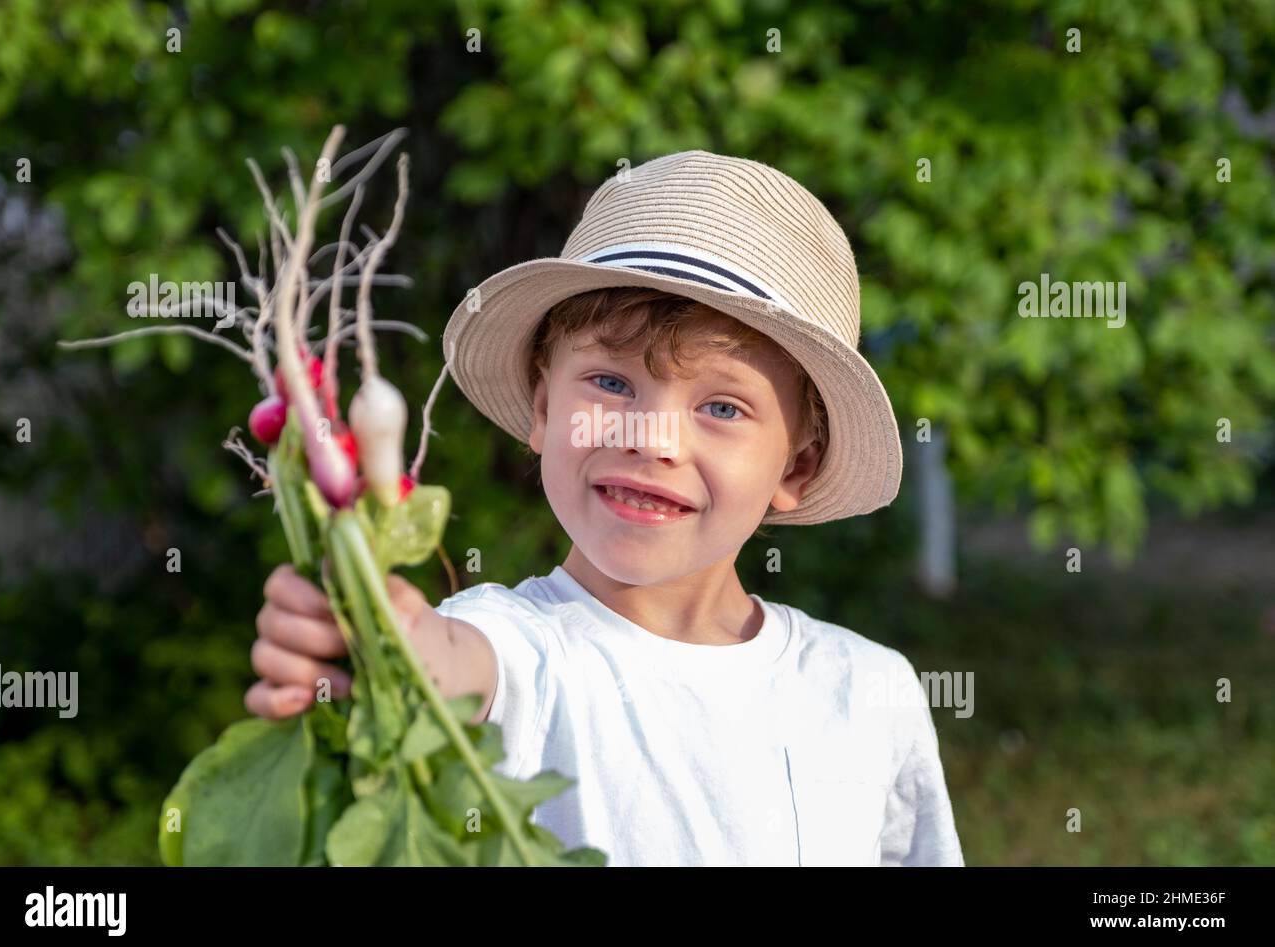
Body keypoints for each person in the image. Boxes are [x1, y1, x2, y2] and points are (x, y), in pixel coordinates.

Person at [247, 150, 965, 866]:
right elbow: (438, 666)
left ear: (797, 466)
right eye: (610, 384)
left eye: (721, 407)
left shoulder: (869, 691)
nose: (652, 440)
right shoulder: (515, 654)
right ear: (543, 408)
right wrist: (375, 637)